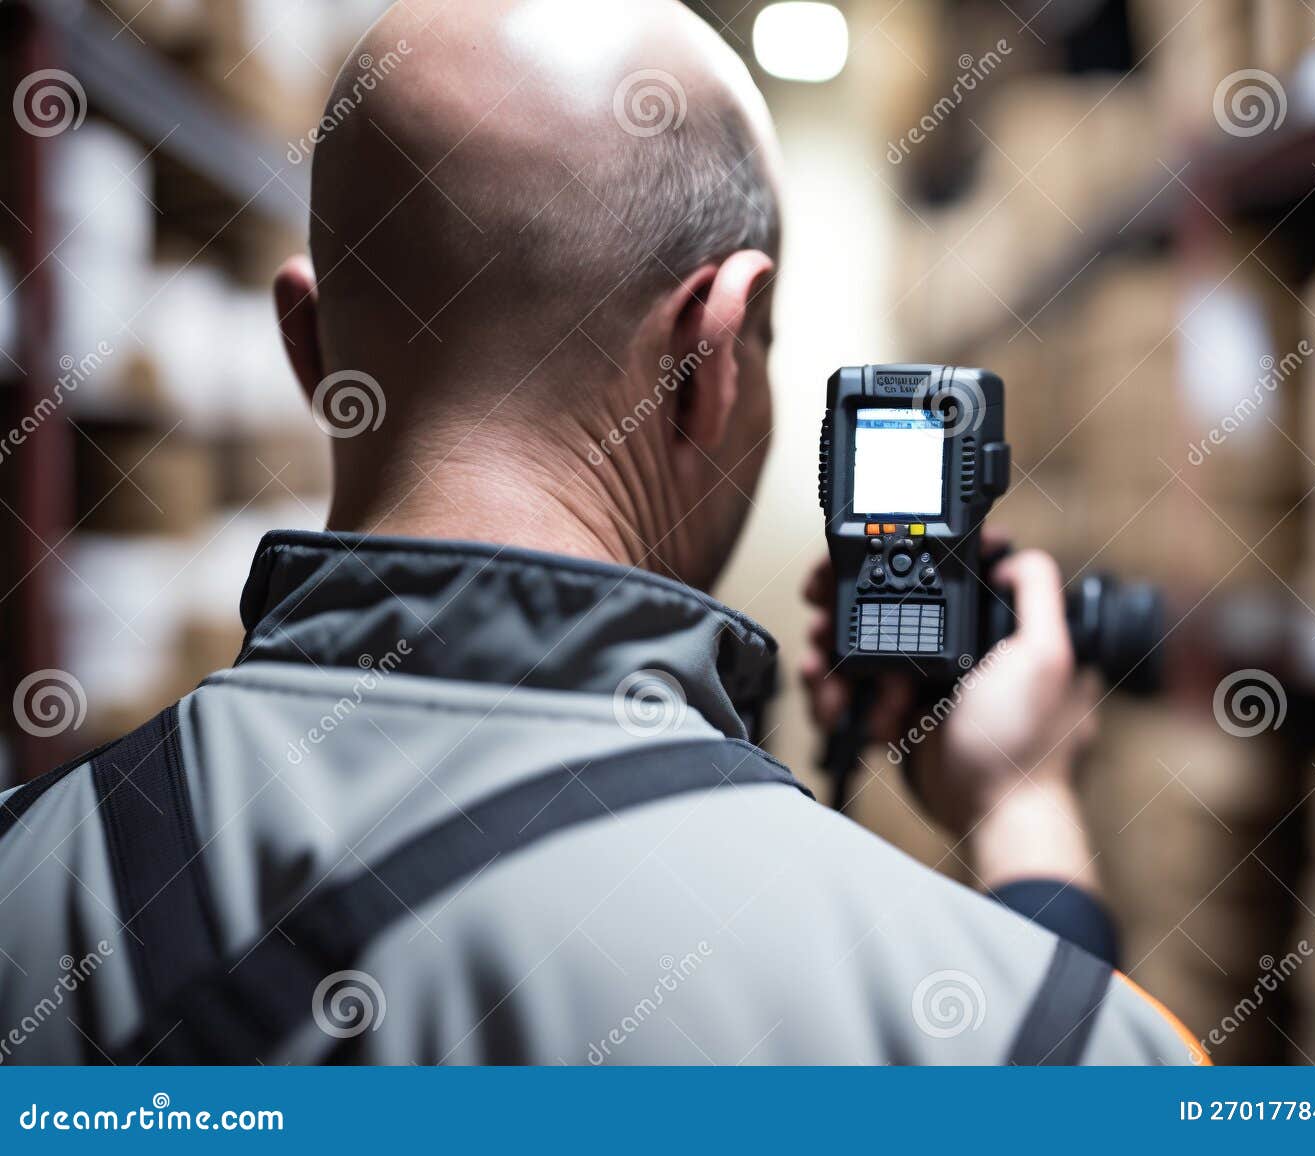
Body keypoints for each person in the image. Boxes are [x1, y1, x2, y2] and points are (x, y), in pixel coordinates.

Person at [0, 0, 1203, 1065]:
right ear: (710, 357)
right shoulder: (979, 1025)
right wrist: (1025, 810)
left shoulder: (29, 876)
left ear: (308, 347)